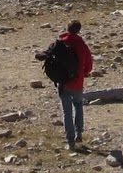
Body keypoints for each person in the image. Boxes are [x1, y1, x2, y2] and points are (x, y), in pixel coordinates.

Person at [37, 19, 94, 151]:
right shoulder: (82, 45)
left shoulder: (59, 43)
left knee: (66, 110)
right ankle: (79, 132)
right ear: (79, 30)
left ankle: (70, 141)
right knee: (78, 105)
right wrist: (82, 73)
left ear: (67, 29)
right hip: (78, 81)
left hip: (63, 82)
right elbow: (88, 65)